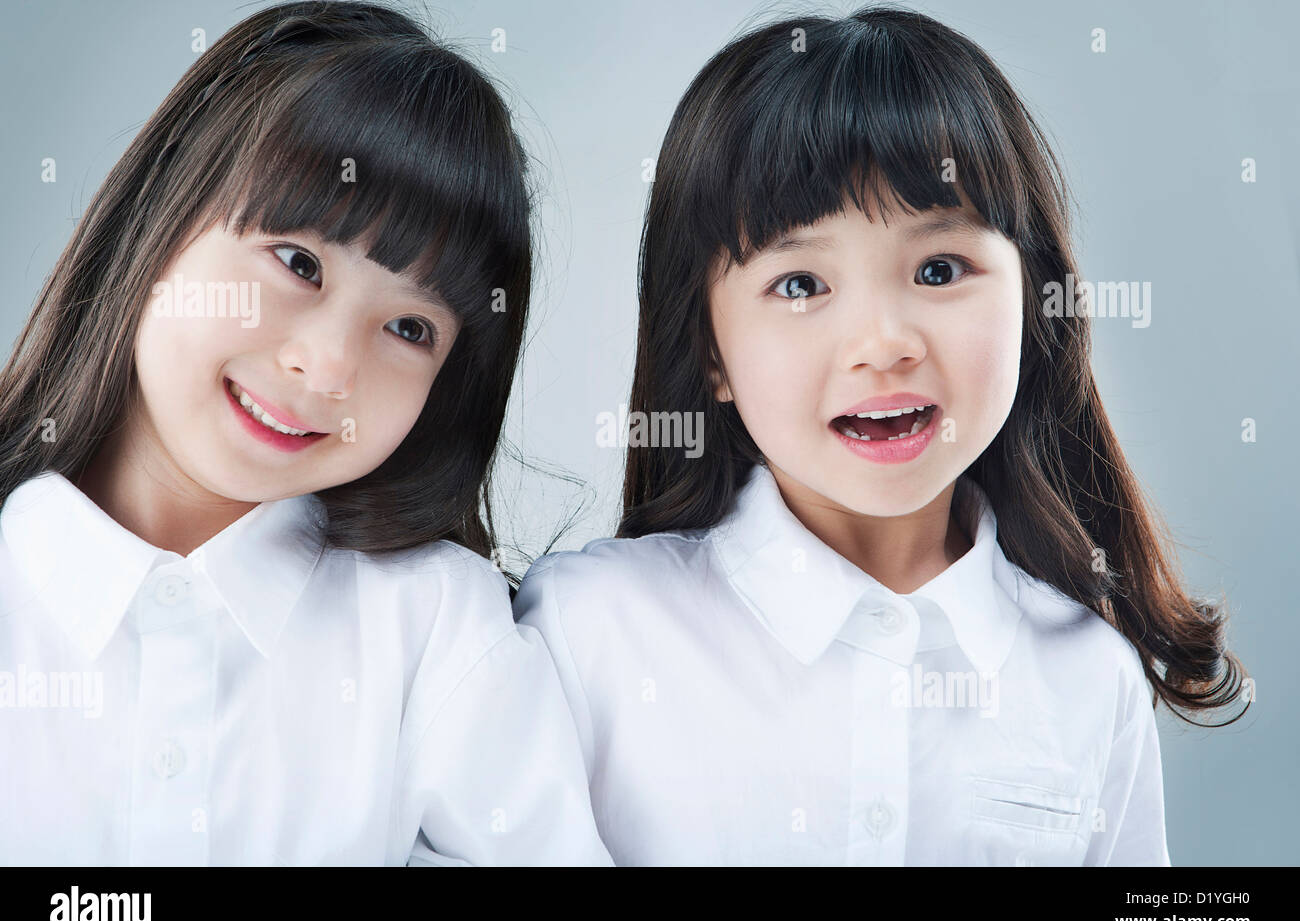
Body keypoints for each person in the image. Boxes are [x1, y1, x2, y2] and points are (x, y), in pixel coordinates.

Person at [514, 5, 1247, 865]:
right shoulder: (588, 629)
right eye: (799, 284)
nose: (884, 343)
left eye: (940, 269)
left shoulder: (1088, 677)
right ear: (709, 350)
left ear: (1034, 300)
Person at [0, 1, 610, 866]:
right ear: (161, 213)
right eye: (298, 263)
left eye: (410, 329)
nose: (328, 369)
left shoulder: (432, 625)